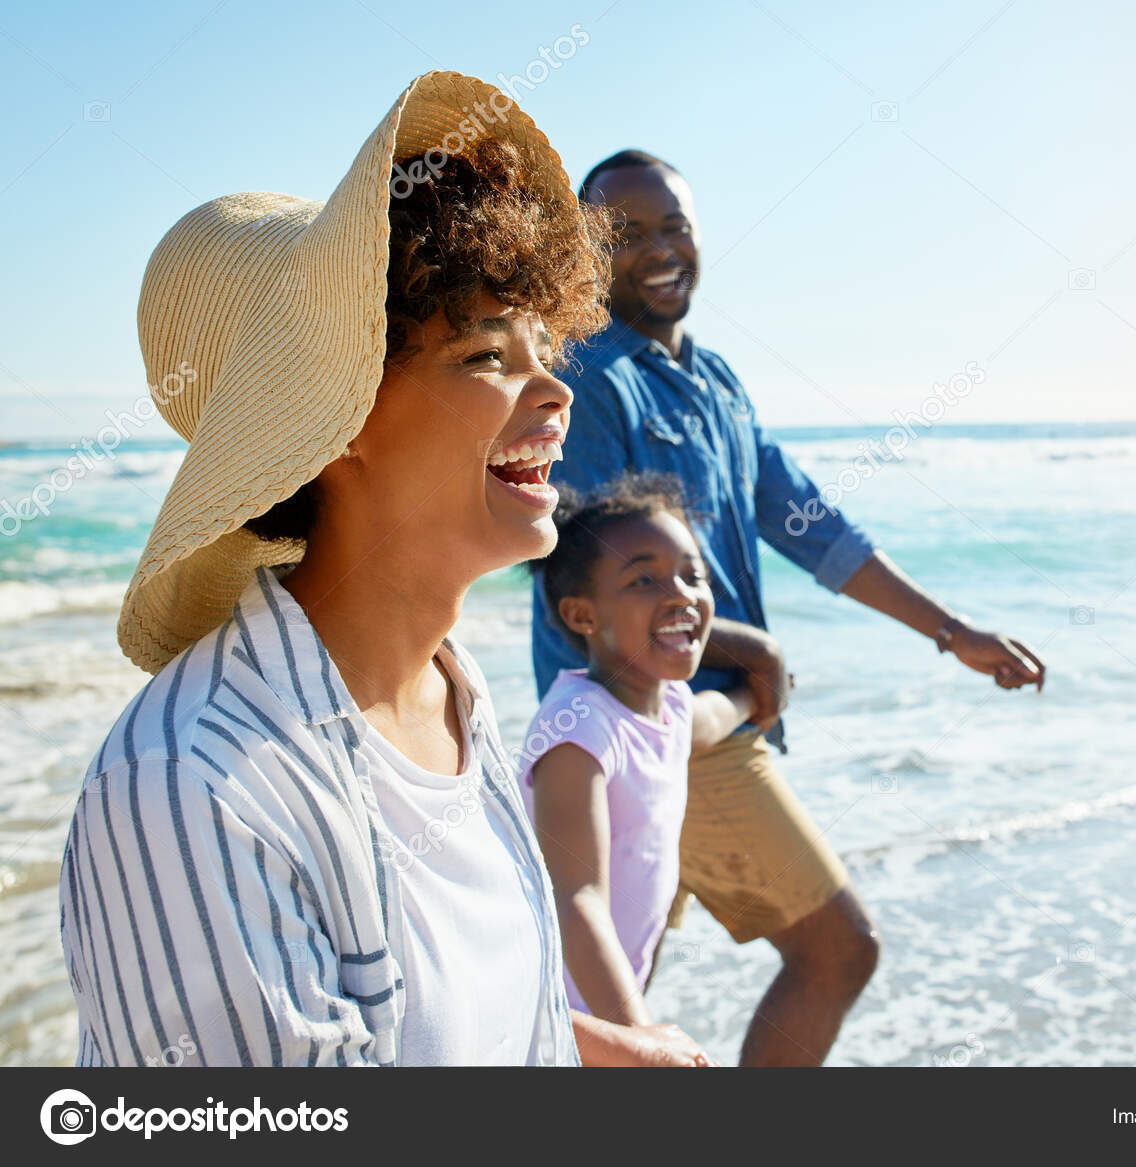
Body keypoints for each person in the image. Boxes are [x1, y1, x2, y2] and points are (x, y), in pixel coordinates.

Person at [56, 72, 705, 1067]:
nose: (553, 392)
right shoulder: (193, 784)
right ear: (335, 422)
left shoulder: (451, 696)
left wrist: (598, 1051)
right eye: (488, 357)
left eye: (545, 348)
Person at [533, 148, 1048, 1065]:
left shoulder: (720, 382)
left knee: (613, 991)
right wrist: (757, 651)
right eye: (629, 232)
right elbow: (594, 583)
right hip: (658, 727)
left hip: (713, 717)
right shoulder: (591, 382)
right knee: (837, 948)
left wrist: (948, 630)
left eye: (676, 226)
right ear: (587, 252)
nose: (661, 248)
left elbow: (810, 523)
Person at [520, 473, 750, 1039]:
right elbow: (577, 900)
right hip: (556, 1017)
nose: (682, 593)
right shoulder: (579, 731)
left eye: (693, 574)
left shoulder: (666, 703)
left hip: (608, 997)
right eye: (645, 579)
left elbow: (708, 721)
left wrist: (754, 695)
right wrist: (638, 1037)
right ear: (582, 616)